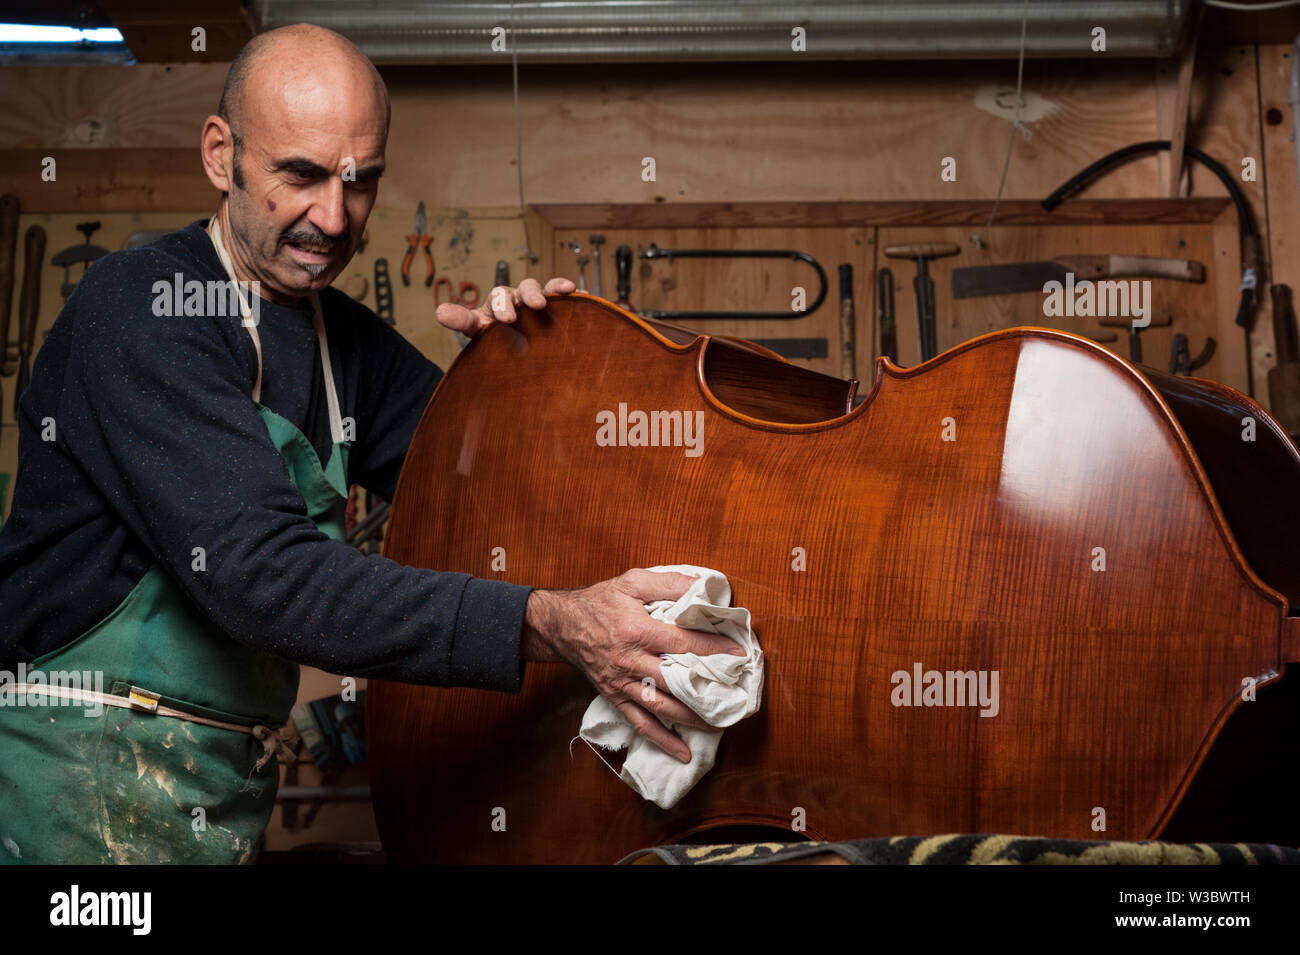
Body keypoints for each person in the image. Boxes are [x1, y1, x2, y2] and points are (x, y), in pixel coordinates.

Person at [0, 23, 742, 864]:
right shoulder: (138, 308)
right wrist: (546, 621)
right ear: (221, 155)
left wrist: (528, 374)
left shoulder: (343, 345)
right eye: (301, 176)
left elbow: (506, 487)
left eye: (361, 182)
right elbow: (264, 575)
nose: (333, 216)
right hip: (69, 787)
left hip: (217, 795)